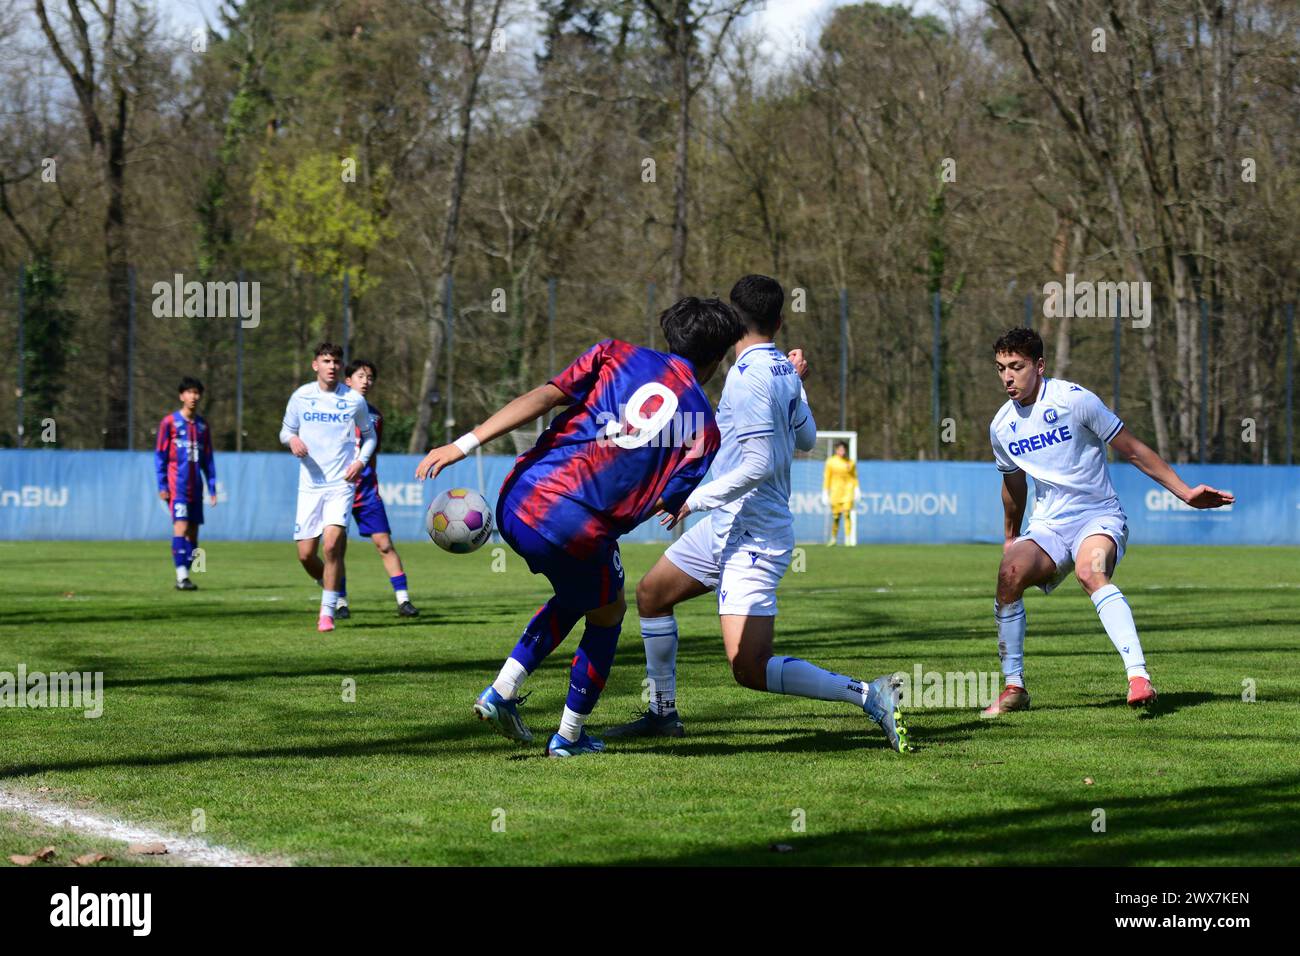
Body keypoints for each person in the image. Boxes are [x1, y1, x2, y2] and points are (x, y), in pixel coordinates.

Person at [415, 297, 740, 757]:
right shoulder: (704, 429)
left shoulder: (616, 353)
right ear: (717, 358)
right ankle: (568, 737)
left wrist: (463, 444)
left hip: (518, 497)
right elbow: (667, 502)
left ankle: (502, 692)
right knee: (608, 612)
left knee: (581, 595)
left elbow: (544, 396)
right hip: (576, 527)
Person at [605, 275, 911, 753]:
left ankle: (870, 695)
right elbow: (807, 439)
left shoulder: (747, 377)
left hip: (754, 535)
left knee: (748, 668)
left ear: (732, 319)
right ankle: (662, 714)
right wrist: (800, 389)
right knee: (652, 594)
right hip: (728, 526)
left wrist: (693, 500)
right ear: (779, 320)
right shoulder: (783, 371)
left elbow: (759, 464)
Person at [984, 327, 1234, 714]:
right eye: (1001, 368)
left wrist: (1184, 492)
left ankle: (1138, 676)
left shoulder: (1075, 401)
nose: (1007, 377)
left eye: (1016, 367)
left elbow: (1132, 449)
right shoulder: (1001, 426)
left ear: (1039, 365)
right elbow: (1013, 485)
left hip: (1097, 517)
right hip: (1049, 526)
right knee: (1008, 574)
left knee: (1091, 570)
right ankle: (1014, 687)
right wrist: (1010, 537)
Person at [279, 342, 376, 633]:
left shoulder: (354, 400)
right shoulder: (301, 397)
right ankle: (329, 586)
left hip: (341, 483)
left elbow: (369, 436)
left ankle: (327, 613)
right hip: (310, 485)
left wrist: (361, 461)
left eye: (335, 361)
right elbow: (286, 430)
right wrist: (292, 440)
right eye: (326, 360)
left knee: (332, 544)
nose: (332, 366)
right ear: (315, 365)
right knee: (306, 554)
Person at [335, 359, 419, 618]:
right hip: (337, 490)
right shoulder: (333, 410)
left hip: (367, 491)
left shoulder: (375, 415)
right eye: (361, 376)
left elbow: (373, 453)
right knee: (335, 548)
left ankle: (403, 600)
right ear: (348, 380)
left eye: (370, 377)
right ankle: (339, 603)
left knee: (384, 544)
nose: (366, 381)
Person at [154, 377, 216, 590]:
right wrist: (162, 485)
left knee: (193, 534)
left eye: (197, 393)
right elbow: (160, 455)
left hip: (196, 489)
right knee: (180, 527)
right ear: (182, 396)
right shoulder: (169, 423)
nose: (193, 396)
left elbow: (208, 459)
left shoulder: (202, 426)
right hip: (176, 487)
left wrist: (212, 486)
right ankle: (181, 577)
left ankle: (186, 573)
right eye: (189, 392)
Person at [823, 440, 859, 545]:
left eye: (843, 449)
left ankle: (848, 539)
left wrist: (857, 489)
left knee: (847, 513)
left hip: (848, 491)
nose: (842, 451)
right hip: (835, 492)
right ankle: (833, 538)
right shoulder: (830, 462)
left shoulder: (850, 462)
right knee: (836, 516)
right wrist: (825, 491)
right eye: (840, 449)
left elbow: (854, 477)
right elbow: (827, 477)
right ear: (836, 450)